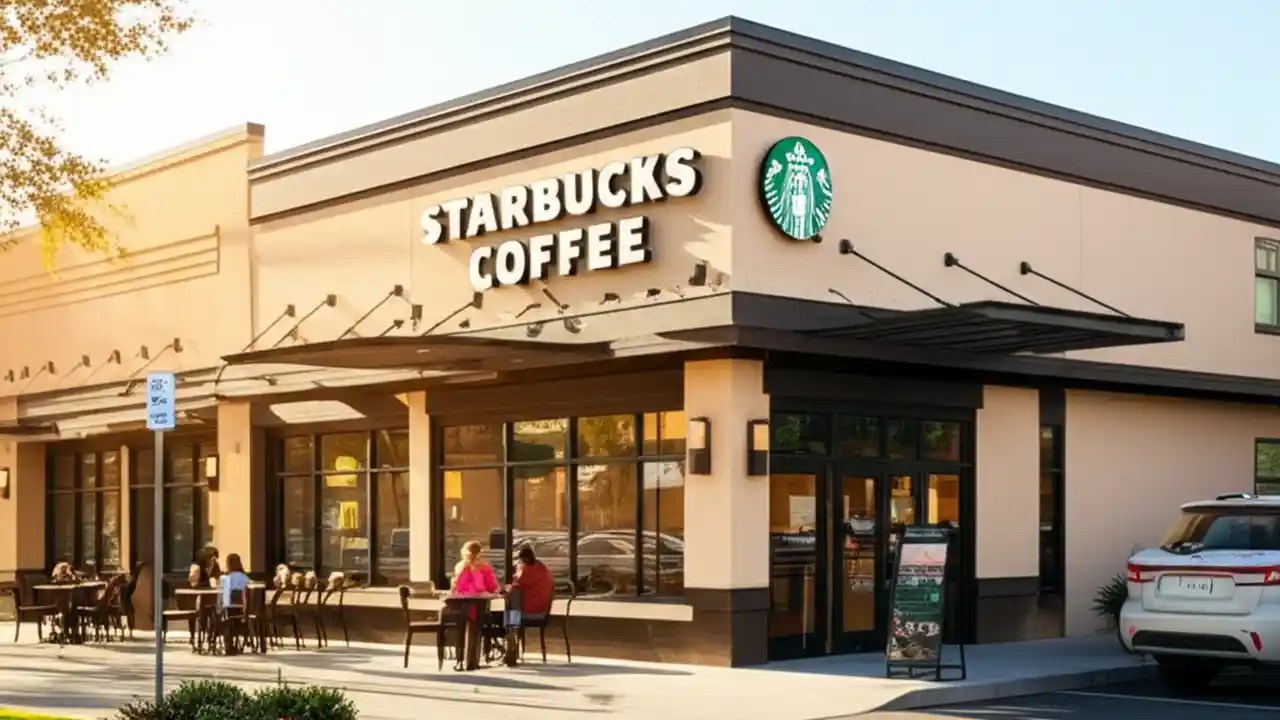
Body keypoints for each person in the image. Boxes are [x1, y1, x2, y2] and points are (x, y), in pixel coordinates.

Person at [507, 544, 553, 619]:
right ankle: (511, 622)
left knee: (514, 592)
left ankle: (513, 621)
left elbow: (519, 583)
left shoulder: (530, 569)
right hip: (544, 608)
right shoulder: (543, 567)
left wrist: (516, 576)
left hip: (533, 609)